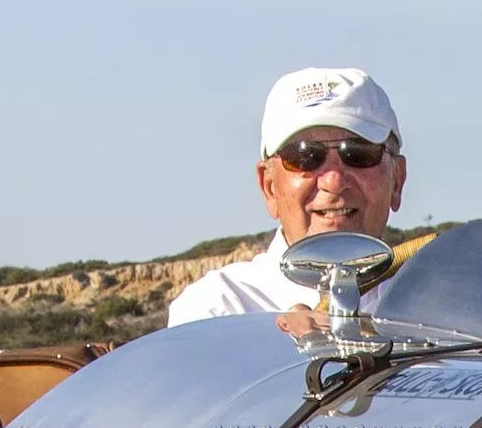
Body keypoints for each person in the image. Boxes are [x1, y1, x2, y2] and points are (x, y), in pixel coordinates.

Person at [167, 68, 410, 330]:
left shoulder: (445, 304)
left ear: (397, 180)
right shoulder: (218, 308)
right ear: (269, 186)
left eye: (359, 153)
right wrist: (278, 348)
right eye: (305, 156)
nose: (334, 182)